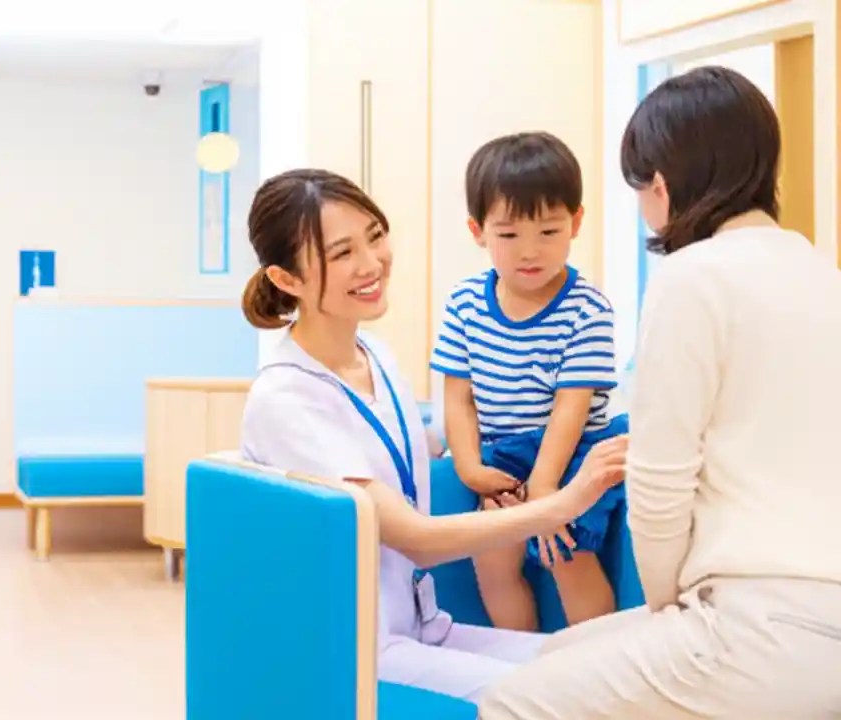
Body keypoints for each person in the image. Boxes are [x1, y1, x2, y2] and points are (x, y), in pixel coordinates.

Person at [479, 66, 841, 717]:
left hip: (758, 621)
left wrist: (667, 609)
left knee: (510, 701)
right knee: (553, 656)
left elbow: (659, 486)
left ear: (661, 185)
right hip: (814, 620)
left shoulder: (691, 277)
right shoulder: (825, 275)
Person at [238, 168, 627, 701]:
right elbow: (417, 541)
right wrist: (565, 501)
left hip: (424, 626)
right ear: (287, 280)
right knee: (572, 695)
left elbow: (404, 446)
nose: (372, 263)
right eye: (342, 253)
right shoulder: (286, 397)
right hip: (357, 649)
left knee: (609, 665)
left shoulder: (375, 356)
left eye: (375, 237)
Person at [430, 132, 626, 631]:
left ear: (576, 223)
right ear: (478, 231)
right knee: (492, 556)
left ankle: (595, 660)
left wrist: (545, 489)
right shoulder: (465, 303)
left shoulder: (588, 309)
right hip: (503, 454)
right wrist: (471, 466)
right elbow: (458, 398)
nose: (530, 251)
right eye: (509, 235)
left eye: (549, 231)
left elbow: (571, 408)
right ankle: (521, 659)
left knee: (566, 548)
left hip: (573, 451)